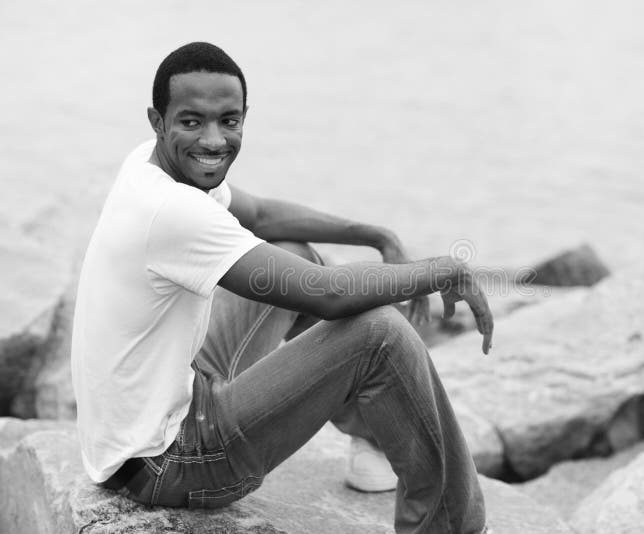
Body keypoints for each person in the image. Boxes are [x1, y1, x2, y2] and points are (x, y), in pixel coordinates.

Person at [70, 41, 493, 534]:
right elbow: (327, 294)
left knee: (291, 252)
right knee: (379, 333)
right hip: (172, 461)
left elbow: (261, 215)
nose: (213, 140)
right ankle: (450, 527)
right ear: (157, 120)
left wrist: (375, 236)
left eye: (229, 121)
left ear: (245, 116)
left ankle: (372, 445)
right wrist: (441, 269)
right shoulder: (170, 210)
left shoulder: (151, 164)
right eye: (192, 122)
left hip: (161, 413)